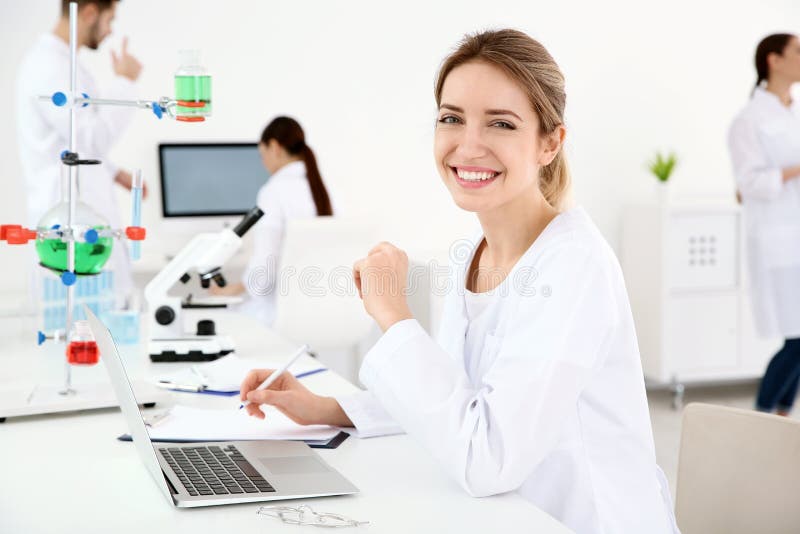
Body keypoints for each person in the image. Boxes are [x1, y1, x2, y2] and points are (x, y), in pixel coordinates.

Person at [239, 30, 677, 532]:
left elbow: (485, 458)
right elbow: (456, 399)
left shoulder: (574, 264)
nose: (468, 146)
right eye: (452, 118)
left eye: (501, 123)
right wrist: (327, 407)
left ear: (549, 142)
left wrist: (392, 315)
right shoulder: (474, 249)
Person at [16, 0, 145, 298]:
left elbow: (68, 143)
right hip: (67, 228)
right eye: (109, 19)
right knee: (84, 324)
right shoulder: (50, 66)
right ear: (89, 12)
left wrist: (114, 172)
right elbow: (90, 137)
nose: (110, 31)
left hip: (78, 219)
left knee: (102, 321)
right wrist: (125, 83)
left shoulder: (61, 64)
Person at [728, 33, 800, 416]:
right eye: (798, 51)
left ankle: (781, 418)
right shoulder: (749, 120)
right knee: (797, 338)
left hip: (797, 236)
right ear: (774, 60)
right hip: (778, 241)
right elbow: (749, 183)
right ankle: (761, 415)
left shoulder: (794, 113)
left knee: (798, 337)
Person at [210, 116, 333, 326]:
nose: (264, 163)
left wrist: (232, 290)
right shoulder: (327, 190)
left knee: (215, 319)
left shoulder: (273, 192)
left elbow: (263, 276)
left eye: (262, 155)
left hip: (282, 314)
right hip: (327, 310)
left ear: (274, 147)